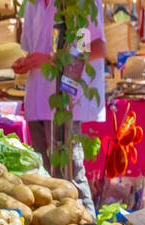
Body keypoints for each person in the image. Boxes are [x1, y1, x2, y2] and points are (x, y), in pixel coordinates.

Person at [14, 0, 106, 214]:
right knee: (45, 183)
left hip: (66, 101)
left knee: (71, 179)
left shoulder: (79, 3)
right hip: (38, 100)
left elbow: (95, 47)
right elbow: (37, 49)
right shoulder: (33, 4)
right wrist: (27, 62)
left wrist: (50, 59)